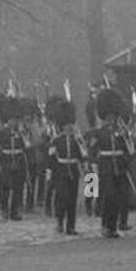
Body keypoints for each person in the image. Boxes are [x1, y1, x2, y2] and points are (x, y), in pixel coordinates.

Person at [93, 87, 134, 239]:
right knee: (108, 197)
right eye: (110, 116)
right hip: (105, 168)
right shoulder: (99, 132)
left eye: (114, 116)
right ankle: (105, 224)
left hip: (119, 168)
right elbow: (92, 152)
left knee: (118, 198)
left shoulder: (121, 132)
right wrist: (93, 168)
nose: (112, 119)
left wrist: (126, 137)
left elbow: (129, 150)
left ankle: (113, 226)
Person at [47, 99, 86, 236]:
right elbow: (51, 158)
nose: (70, 127)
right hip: (61, 172)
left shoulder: (77, 140)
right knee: (62, 198)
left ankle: (71, 226)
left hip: (73, 172)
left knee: (72, 199)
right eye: (67, 124)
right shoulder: (56, 140)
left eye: (71, 124)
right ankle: (59, 221)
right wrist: (51, 173)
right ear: (62, 126)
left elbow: (83, 156)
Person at [0, 96, 29, 222]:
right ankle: (4, 210)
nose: (15, 122)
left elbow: (27, 147)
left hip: (18, 162)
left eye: (17, 120)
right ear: (9, 119)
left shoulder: (21, 133)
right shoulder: (1, 133)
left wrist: (24, 134)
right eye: (13, 119)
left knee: (18, 189)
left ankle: (14, 211)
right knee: (6, 188)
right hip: (6, 162)